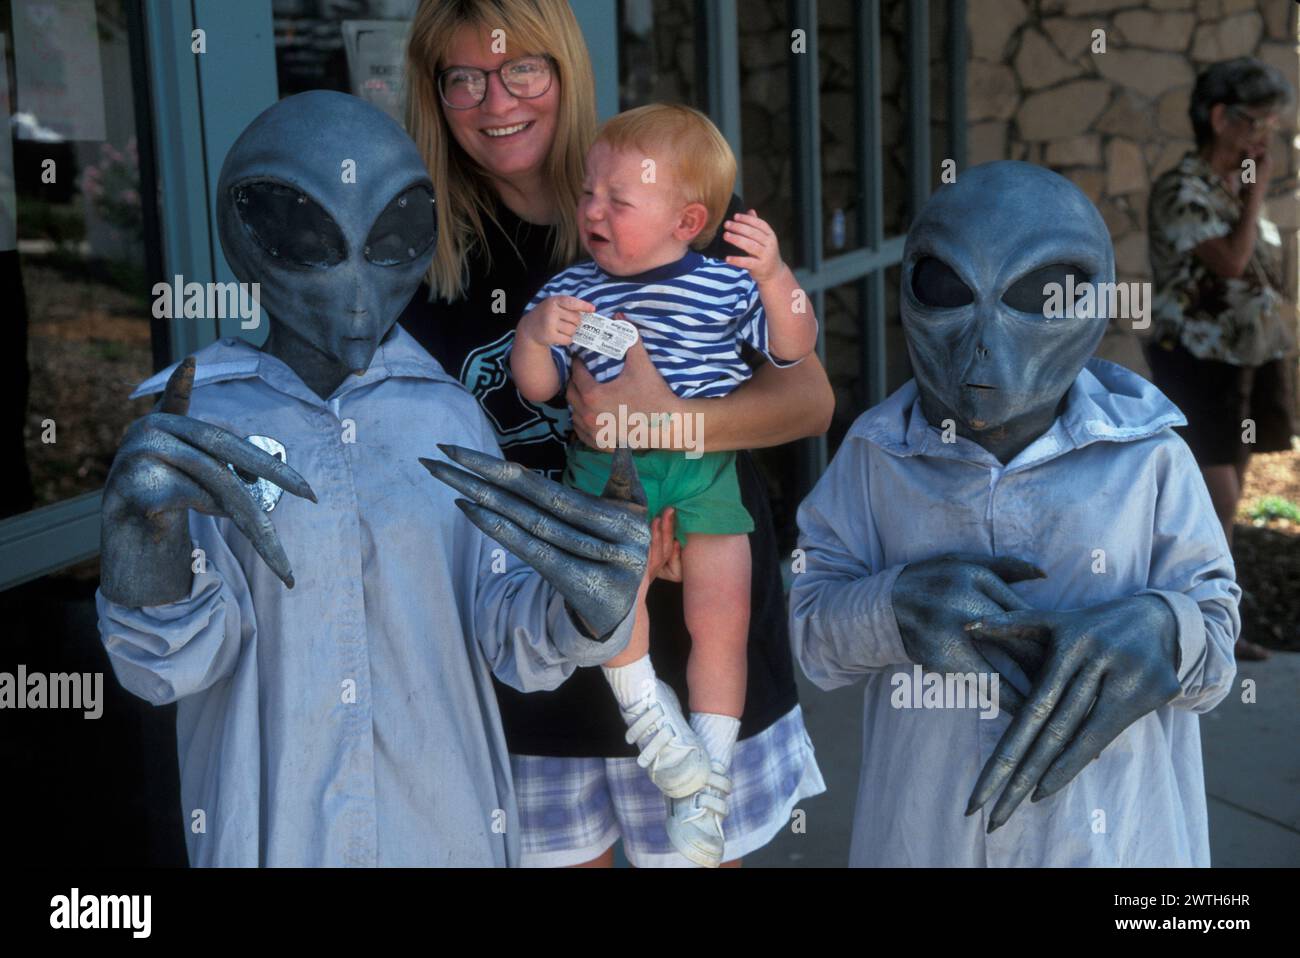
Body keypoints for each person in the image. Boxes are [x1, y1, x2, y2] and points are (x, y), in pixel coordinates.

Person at [95, 91, 651, 867]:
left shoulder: (447, 419)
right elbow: (169, 667)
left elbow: (503, 630)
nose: (357, 294)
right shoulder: (195, 431)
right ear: (249, 236)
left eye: (388, 240)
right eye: (313, 241)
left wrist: (587, 609)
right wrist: (145, 553)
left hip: (444, 831)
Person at [399, 0, 829, 867]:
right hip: (534, 639)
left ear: (565, 69)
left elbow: (807, 399)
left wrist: (668, 421)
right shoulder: (422, 254)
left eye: (523, 68)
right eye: (464, 78)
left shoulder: (666, 183)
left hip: (691, 607)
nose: (496, 99)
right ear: (433, 94)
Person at [790, 162, 1238, 867]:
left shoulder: (1149, 459)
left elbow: (1216, 641)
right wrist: (892, 609)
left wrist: (1163, 630)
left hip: (1113, 842)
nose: (985, 347)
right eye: (952, 294)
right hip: (928, 838)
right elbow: (813, 637)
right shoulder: (876, 458)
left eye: (1033, 298)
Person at [511, 103, 818, 866]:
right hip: (600, 476)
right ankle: (650, 713)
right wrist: (534, 335)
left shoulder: (722, 285)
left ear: (687, 220)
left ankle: (705, 773)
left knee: (724, 616)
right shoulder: (573, 291)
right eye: (588, 195)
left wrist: (776, 277)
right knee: (611, 611)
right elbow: (538, 388)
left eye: (618, 201)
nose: (591, 211)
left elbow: (797, 356)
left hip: (703, 471)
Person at [1146, 57, 1297, 661]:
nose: (1266, 138)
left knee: (1229, 492)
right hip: (1196, 358)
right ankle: (1204, 630)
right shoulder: (1183, 190)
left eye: (1272, 124)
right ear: (1219, 119)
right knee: (1215, 496)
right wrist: (1257, 196)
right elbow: (1232, 263)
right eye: (1257, 122)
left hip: (1244, 355)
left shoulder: (1228, 183)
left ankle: (1218, 628)